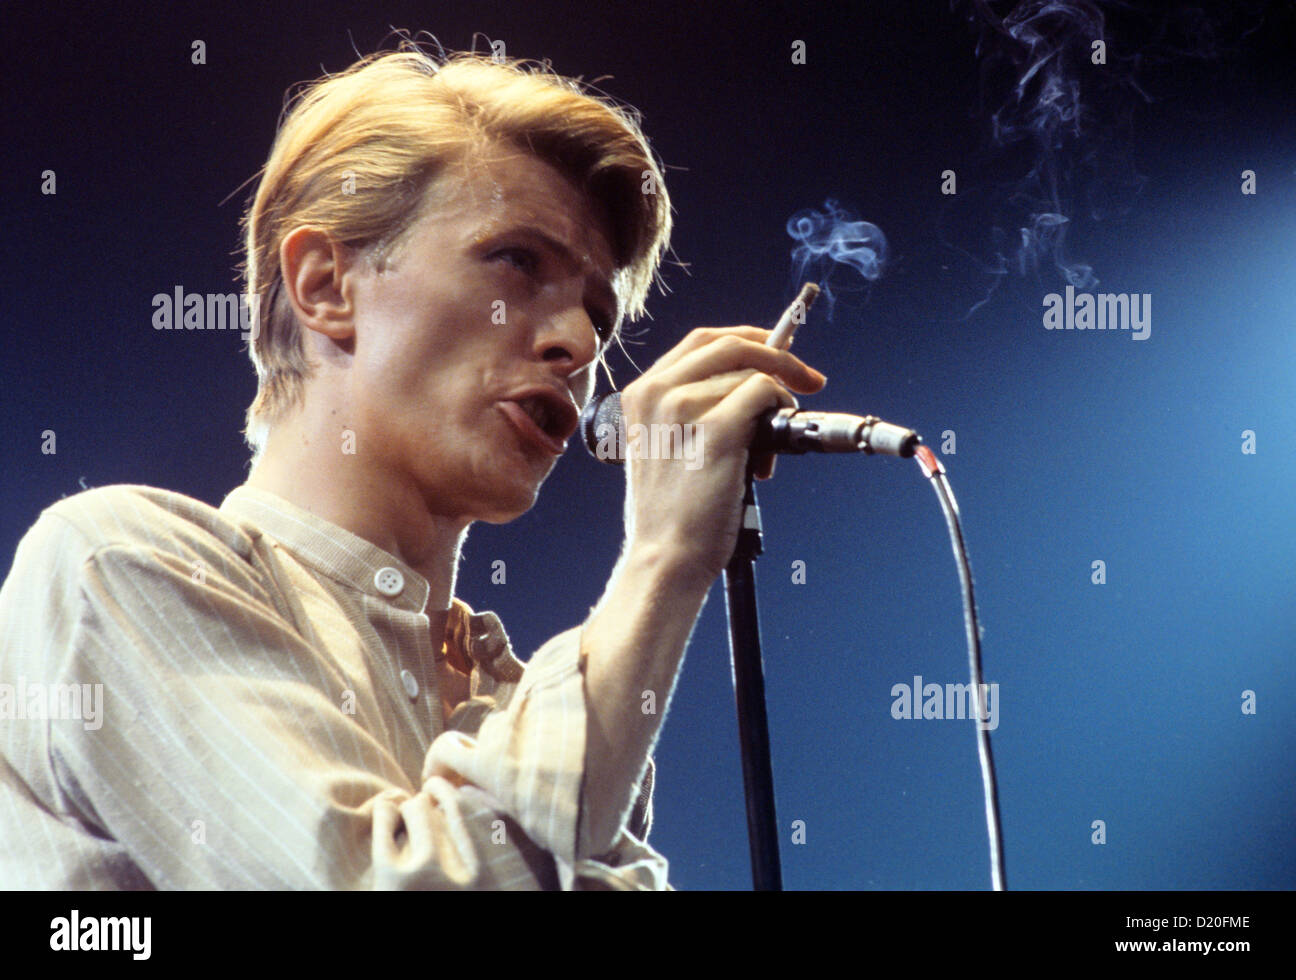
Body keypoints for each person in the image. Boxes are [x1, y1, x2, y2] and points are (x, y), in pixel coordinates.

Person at [0, 42, 825, 889]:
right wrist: (661, 559)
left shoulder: (520, 707)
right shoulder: (117, 563)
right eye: (517, 262)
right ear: (325, 284)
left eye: (597, 314)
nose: (578, 344)